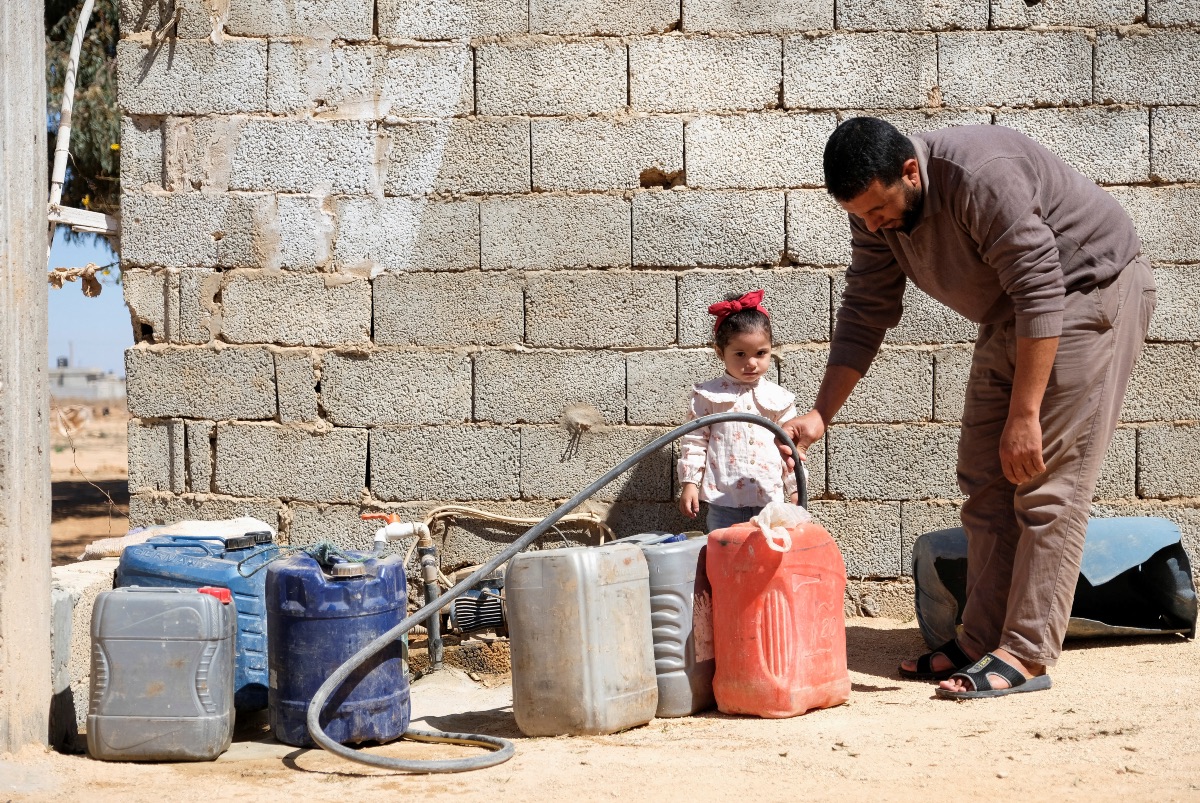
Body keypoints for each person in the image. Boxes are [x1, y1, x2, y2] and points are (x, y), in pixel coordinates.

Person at [784, 117, 1155, 699]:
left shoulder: (981, 175)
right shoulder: (874, 213)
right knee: (984, 477)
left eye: (878, 210)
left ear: (911, 171)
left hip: (1088, 291)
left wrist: (1026, 415)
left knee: (1044, 481)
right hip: (1012, 311)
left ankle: (1028, 651)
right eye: (858, 216)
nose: (872, 225)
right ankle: (981, 637)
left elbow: (1041, 288)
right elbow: (865, 309)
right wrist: (821, 413)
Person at [678, 290, 801, 532]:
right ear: (720, 352)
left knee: (766, 560)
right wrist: (689, 483)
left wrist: (796, 489)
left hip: (769, 501)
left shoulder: (779, 399)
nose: (752, 362)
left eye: (760, 353)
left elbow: (790, 448)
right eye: (740, 354)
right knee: (724, 560)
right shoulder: (708, 395)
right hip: (723, 501)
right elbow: (694, 441)